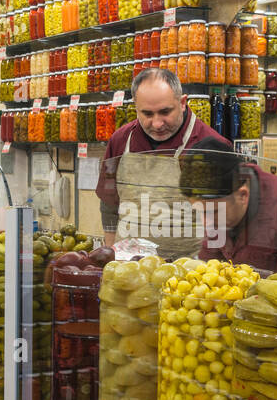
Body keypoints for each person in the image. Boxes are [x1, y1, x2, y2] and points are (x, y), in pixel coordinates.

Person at [96, 68, 229, 258]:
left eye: (165, 112)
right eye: (147, 114)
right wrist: (110, 253)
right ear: (135, 107)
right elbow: (109, 204)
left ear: (182, 103)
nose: (157, 123)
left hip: (191, 275)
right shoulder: (120, 141)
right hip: (128, 271)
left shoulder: (212, 146)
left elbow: (226, 220)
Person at [178, 147, 277, 274]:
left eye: (211, 212)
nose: (205, 222)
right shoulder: (221, 205)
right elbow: (208, 268)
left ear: (243, 195)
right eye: (199, 211)